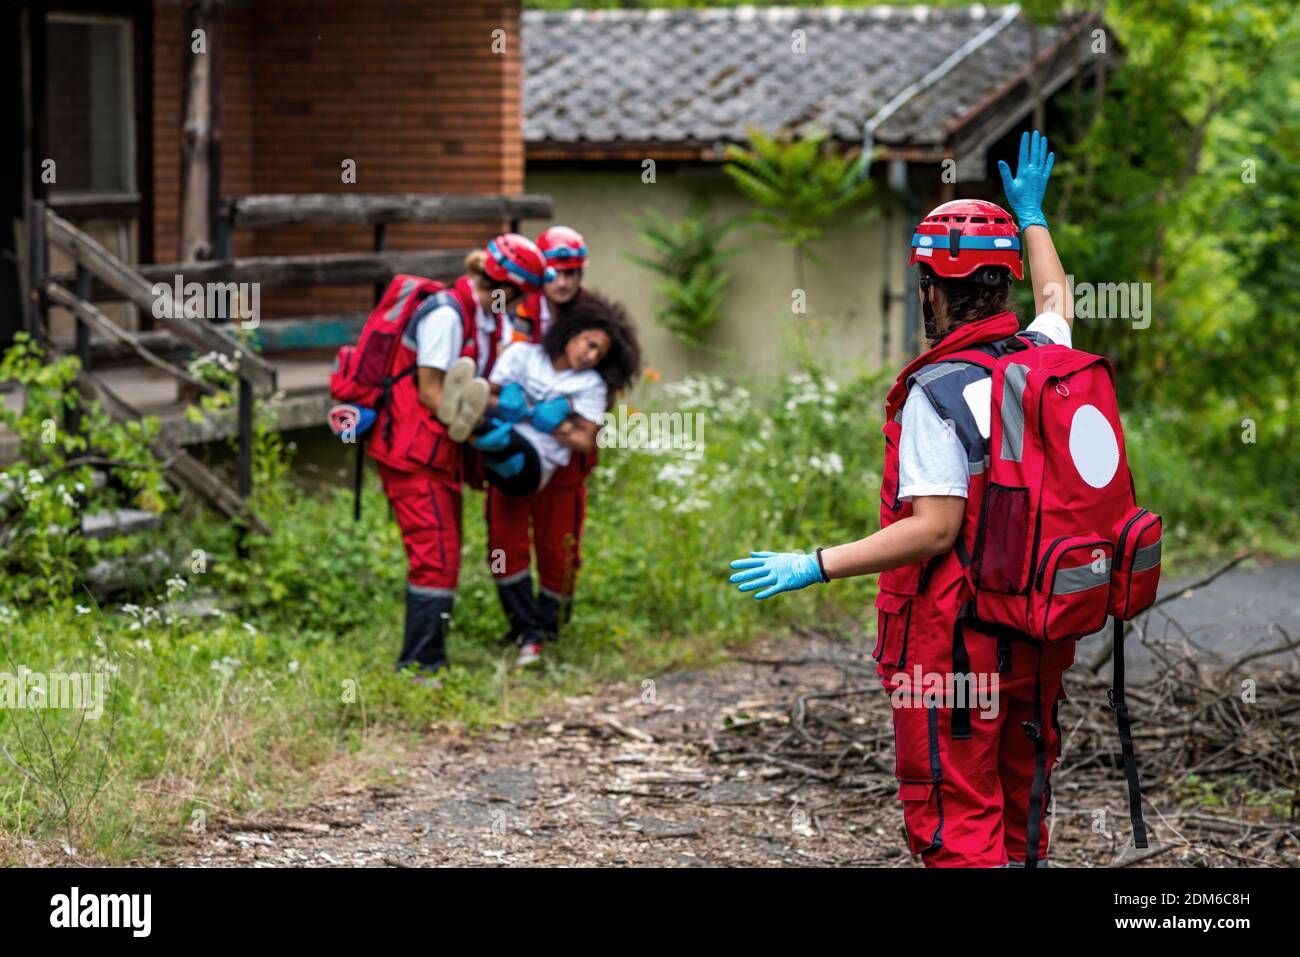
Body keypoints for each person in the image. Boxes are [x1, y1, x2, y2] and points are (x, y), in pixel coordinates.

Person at [728, 131, 1077, 867]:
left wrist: (814, 562)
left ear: (932, 287)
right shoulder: (1043, 357)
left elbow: (932, 530)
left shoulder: (937, 392)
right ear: (999, 283)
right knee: (1022, 801)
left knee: (954, 812)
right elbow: (1057, 296)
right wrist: (1034, 216)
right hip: (1035, 632)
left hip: (954, 643)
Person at [365, 233, 553, 682]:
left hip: (440, 455)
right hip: (412, 454)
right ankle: (419, 668)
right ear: (503, 286)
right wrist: (485, 420)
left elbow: (474, 388)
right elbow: (432, 392)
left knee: (443, 552)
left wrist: (505, 405)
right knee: (436, 553)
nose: (519, 306)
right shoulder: (448, 316)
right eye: (518, 295)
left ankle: (426, 662)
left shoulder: (484, 318)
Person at [448, 290, 641, 668]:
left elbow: (586, 438)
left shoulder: (591, 386)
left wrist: (545, 420)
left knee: (556, 548)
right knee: (503, 546)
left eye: (598, 354)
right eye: (589, 344)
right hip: (507, 467)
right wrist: (504, 404)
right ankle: (524, 629)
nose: (589, 356)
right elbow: (488, 394)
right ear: (571, 332)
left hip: (542, 466)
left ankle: (547, 629)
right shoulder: (522, 356)